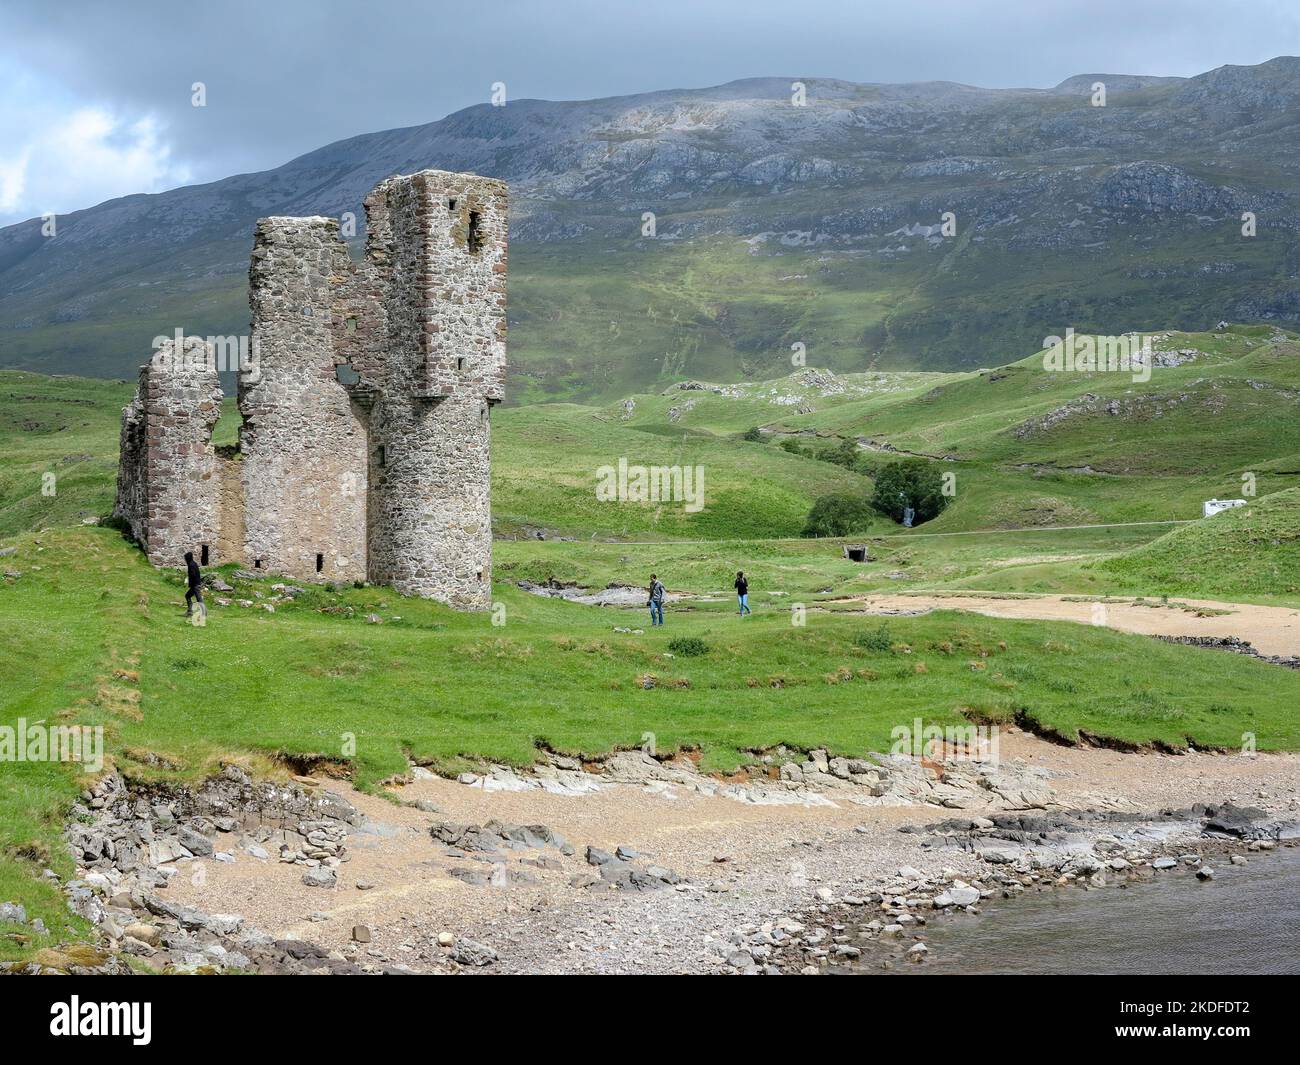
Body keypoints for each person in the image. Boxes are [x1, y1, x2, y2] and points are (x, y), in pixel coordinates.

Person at [184, 550, 203, 616]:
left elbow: (193, 575)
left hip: (195, 585)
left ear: (188, 558)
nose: (185, 560)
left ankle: (203, 613)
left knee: (199, 599)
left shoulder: (191, 565)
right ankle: (190, 612)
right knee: (187, 596)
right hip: (195, 585)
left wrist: (191, 584)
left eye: (185, 558)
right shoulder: (193, 563)